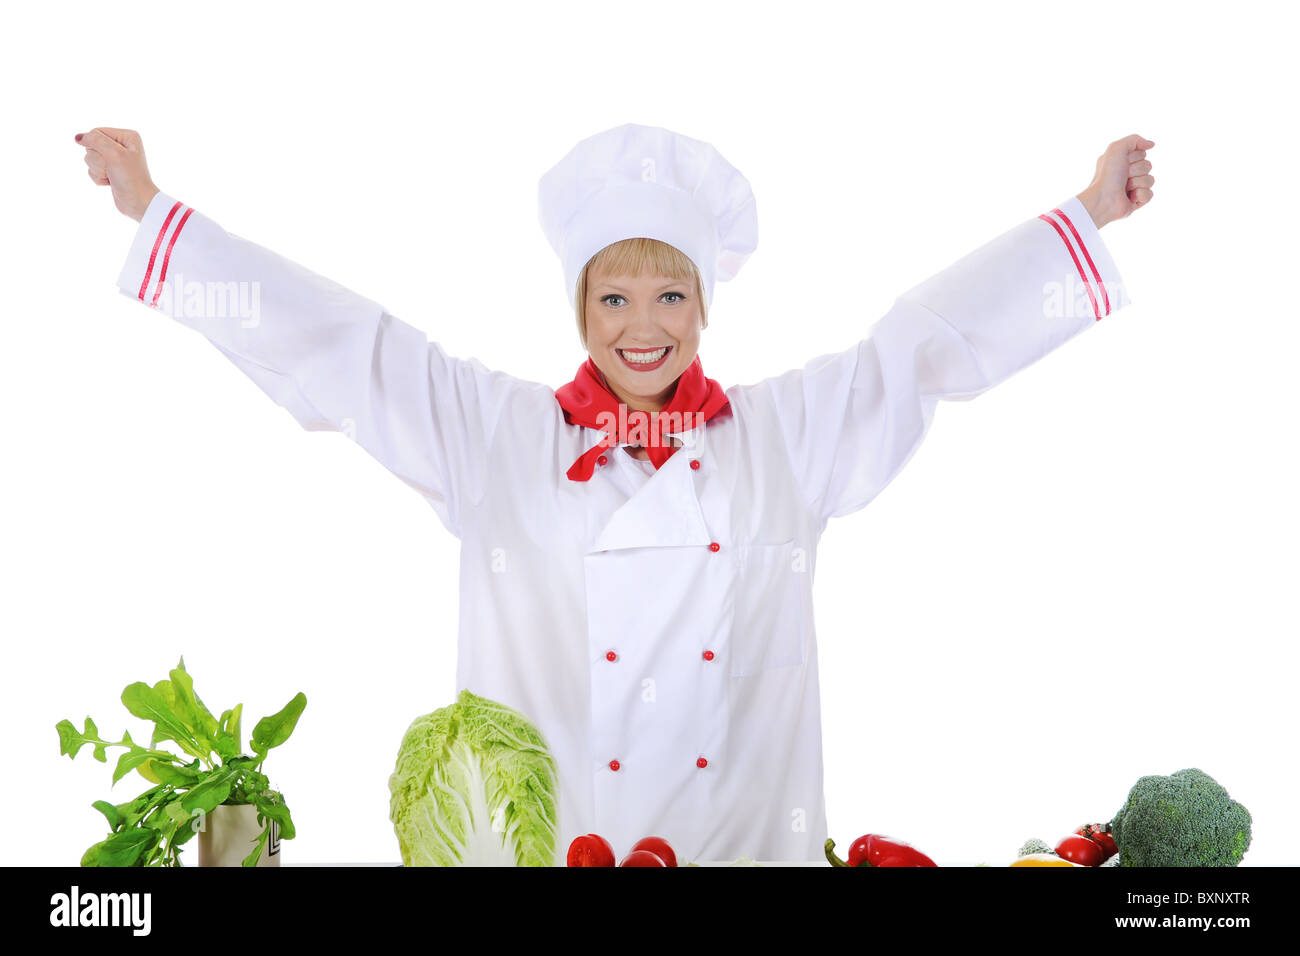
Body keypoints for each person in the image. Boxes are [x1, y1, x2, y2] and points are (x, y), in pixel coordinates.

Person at [75, 122, 1154, 864]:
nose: (646, 325)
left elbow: (926, 346)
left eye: (672, 292)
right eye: (616, 295)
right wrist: (155, 213)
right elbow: (344, 345)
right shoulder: (494, 431)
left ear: (704, 303)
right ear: (580, 307)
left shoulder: (786, 432)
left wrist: (1089, 214)